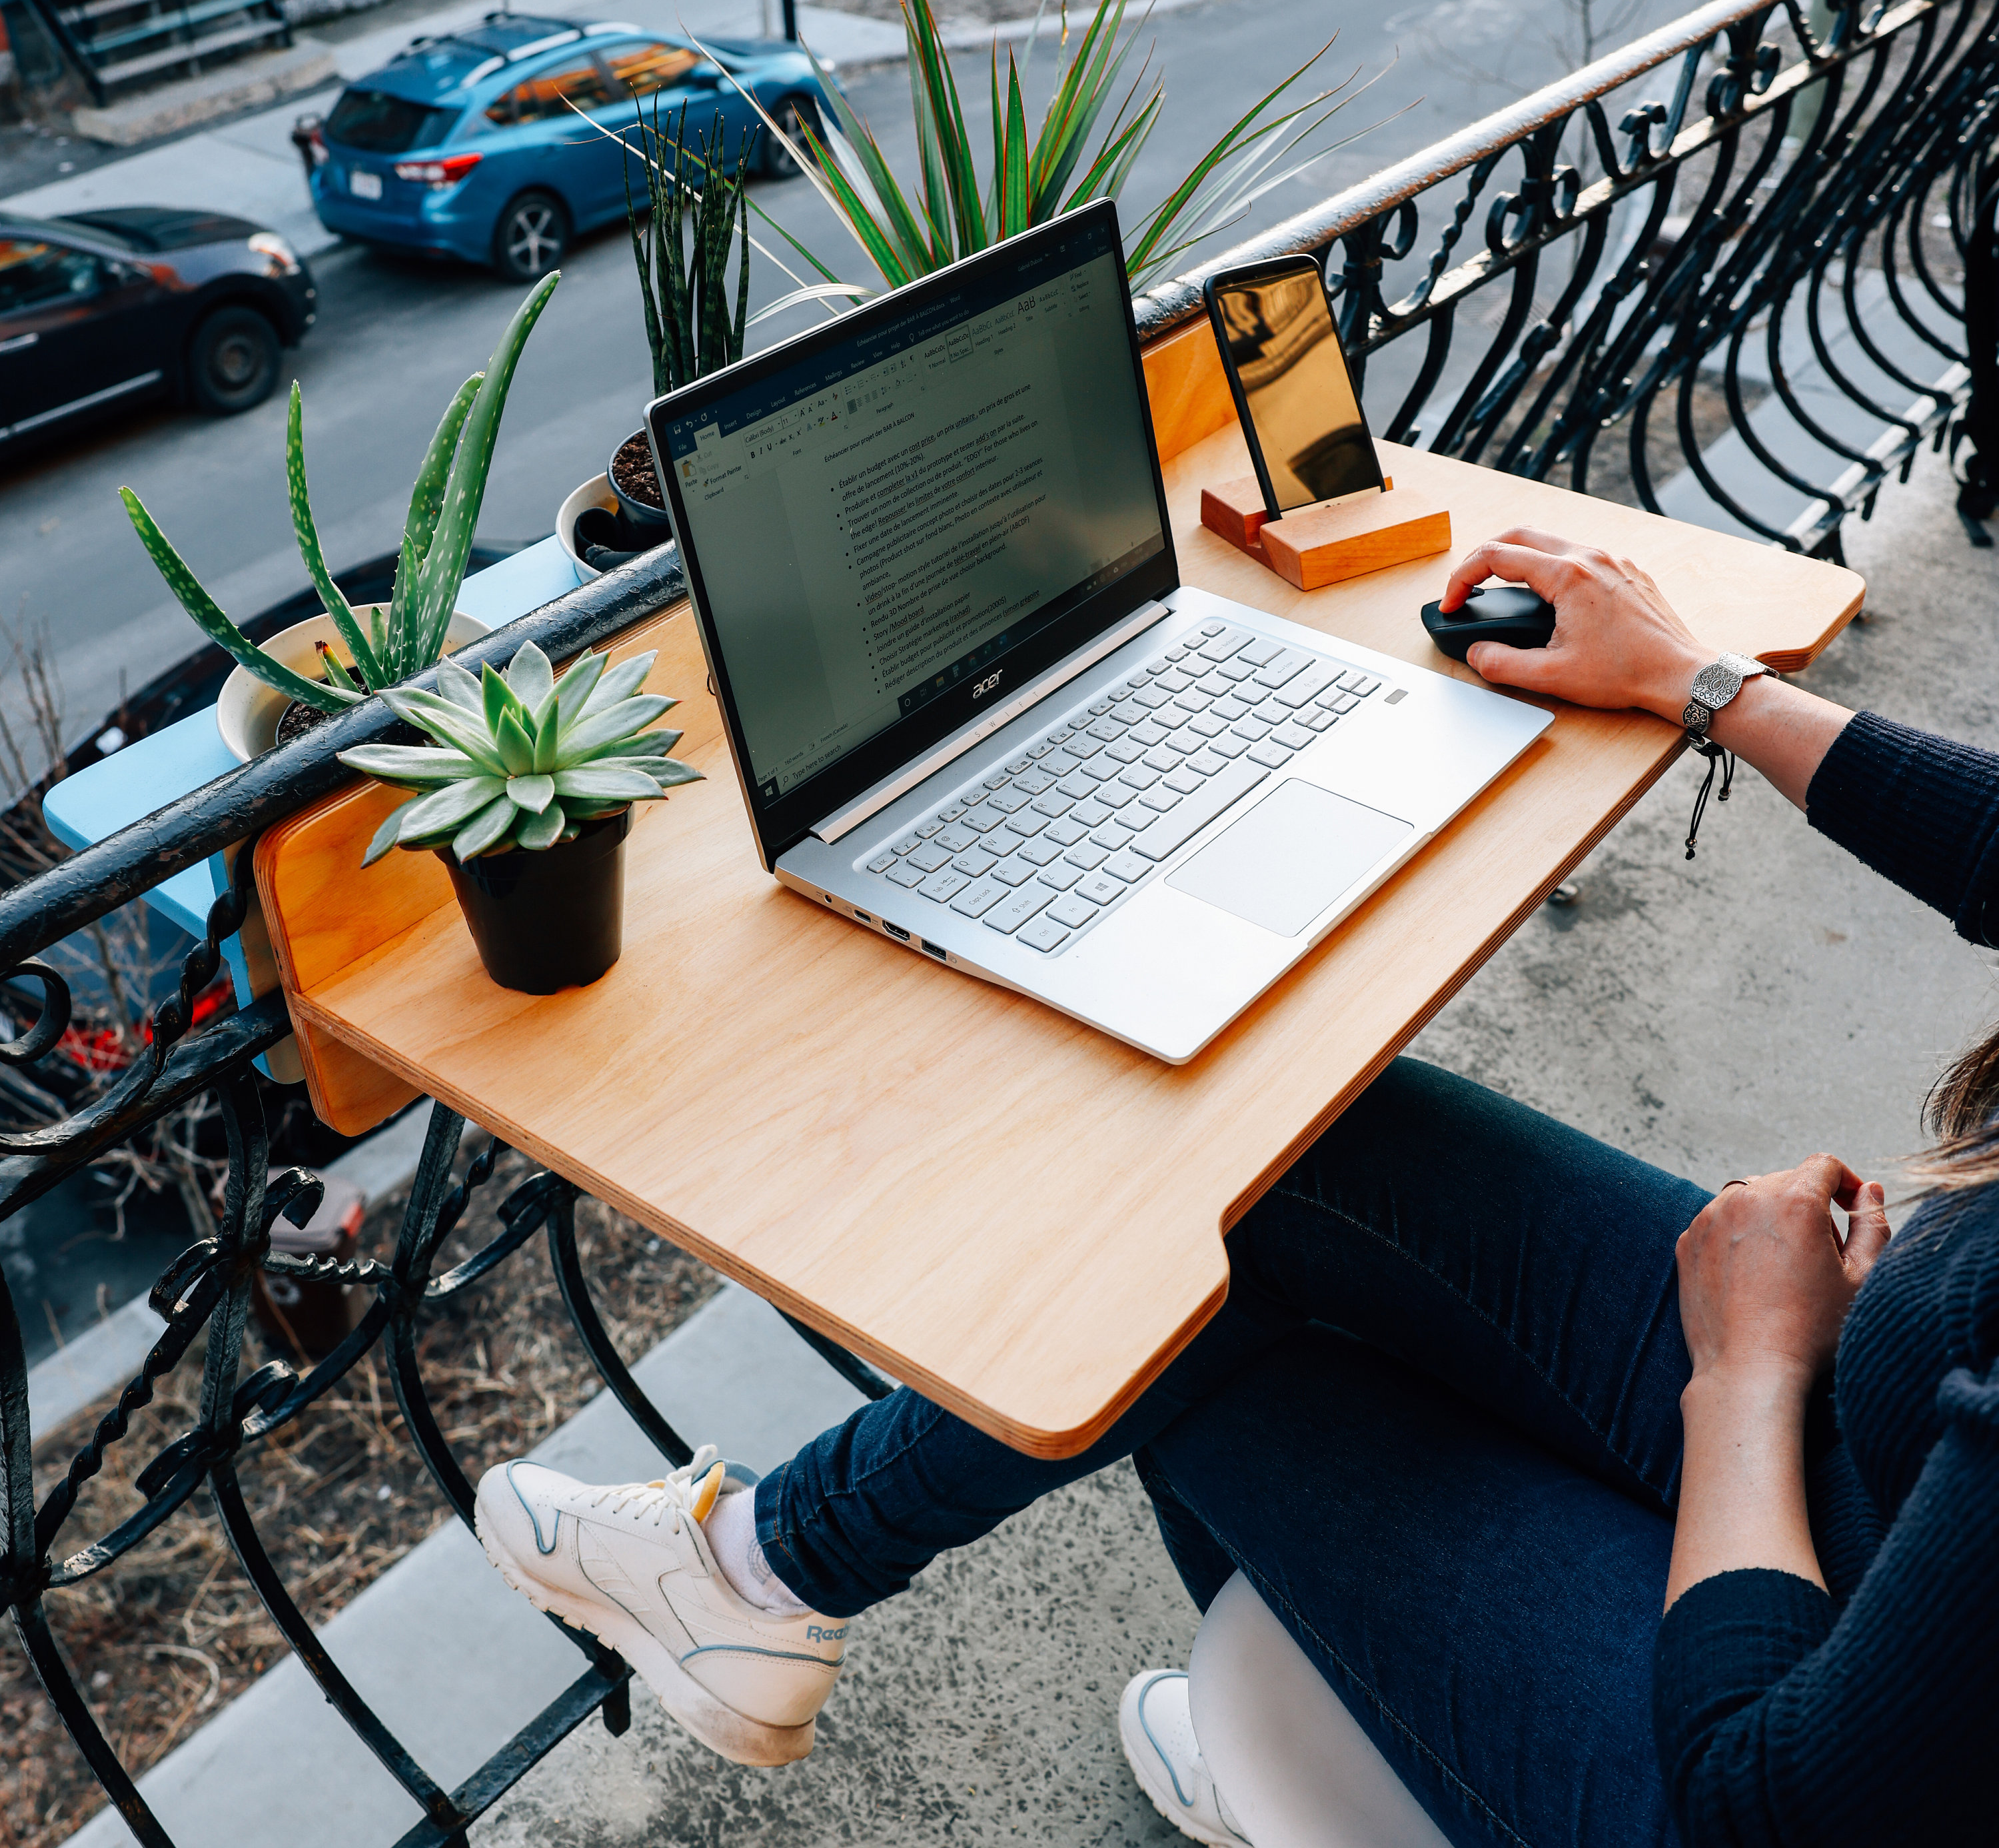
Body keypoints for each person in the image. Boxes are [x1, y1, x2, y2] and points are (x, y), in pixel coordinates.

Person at [474, 528, 1999, 1845]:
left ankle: (761, 1577)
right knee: (1292, 1165)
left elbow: (1770, 1814)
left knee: (1176, 1329)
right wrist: (1700, 681)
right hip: (1905, 1417)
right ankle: (776, 1568)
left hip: (1799, 1724)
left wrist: (1744, 1371)